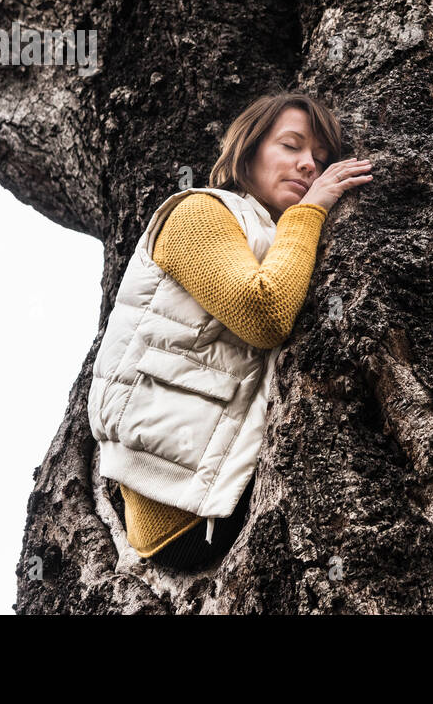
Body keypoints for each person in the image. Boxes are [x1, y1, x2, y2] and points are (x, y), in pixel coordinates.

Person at [86, 91, 373, 572]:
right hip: (180, 511)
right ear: (248, 151)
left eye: (321, 160)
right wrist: (312, 211)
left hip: (214, 491)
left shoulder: (273, 236)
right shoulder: (197, 215)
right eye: (292, 146)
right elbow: (263, 313)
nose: (308, 166)